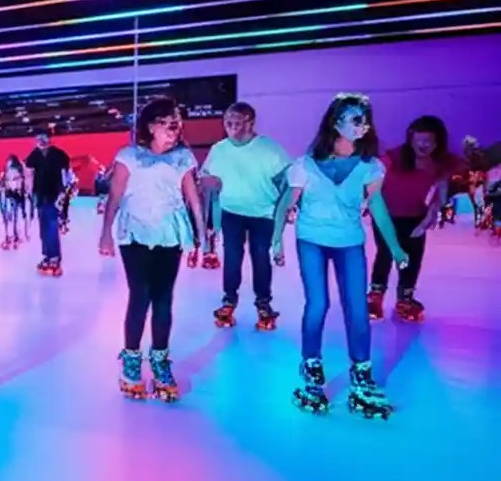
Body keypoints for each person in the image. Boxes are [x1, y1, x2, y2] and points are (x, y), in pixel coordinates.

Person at [272, 93, 408, 419]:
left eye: (365, 119)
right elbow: (286, 204)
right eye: (355, 119)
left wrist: (395, 246)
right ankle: (312, 369)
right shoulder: (305, 165)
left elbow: (377, 207)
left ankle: (361, 375)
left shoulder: (369, 167)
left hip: (349, 242)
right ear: (336, 123)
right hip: (312, 241)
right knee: (318, 303)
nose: (363, 126)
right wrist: (276, 240)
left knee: (357, 307)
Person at [98, 98, 206, 403]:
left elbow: (193, 198)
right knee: (140, 295)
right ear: (150, 126)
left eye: (176, 122)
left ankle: (160, 360)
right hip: (134, 232)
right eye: (165, 123)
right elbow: (115, 196)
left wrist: (202, 234)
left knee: (163, 298)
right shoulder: (129, 156)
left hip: (170, 233)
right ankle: (132, 359)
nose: (173, 128)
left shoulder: (183, 158)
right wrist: (105, 232)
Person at [200, 102, 292, 330]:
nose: (231, 128)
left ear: (250, 123)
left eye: (237, 123)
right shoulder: (219, 149)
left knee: (260, 256)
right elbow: (205, 176)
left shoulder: (270, 149)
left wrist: (284, 210)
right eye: (228, 123)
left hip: (263, 214)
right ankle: (229, 301)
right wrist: (207, 182)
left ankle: (263, 304)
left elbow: (287, 181)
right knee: (232, 256)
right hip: (231, 212)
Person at [368, 115, 461, 322]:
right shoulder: (393, 158)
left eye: (428, 140)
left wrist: (432, 213)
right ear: (410, 139)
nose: (423, 145)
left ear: (437, 142)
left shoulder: (440, 163)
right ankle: (376, 296)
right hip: (386, 215)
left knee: (412, 257)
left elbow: (441, 190)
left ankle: (405, 298)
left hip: (415, 217)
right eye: (419, 140)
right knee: (385, 253)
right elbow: (372, 181)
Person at [25, 130, 71, 276]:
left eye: (44, 138)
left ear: (50, 139)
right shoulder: (34, 155)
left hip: (54, 194)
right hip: (40, 195)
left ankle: (55, 256)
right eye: (38, 138)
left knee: (51, 226)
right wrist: (30, 192)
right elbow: (28, 172)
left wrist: (63, 193)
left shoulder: (59, 155)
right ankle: (46, 254)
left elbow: (66, 175)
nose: (41, 140)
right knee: (43, 227)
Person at [0, 155, 26, 249]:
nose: (7, 164)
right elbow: (4, 183)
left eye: (9, 162)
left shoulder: (15, 172)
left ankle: (15, 237)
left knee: (14, 217)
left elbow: (18, 184)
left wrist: (17, 190)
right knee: (9, 217)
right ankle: (10, 236)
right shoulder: (7, 172)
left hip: (14, 196)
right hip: (8, 196)